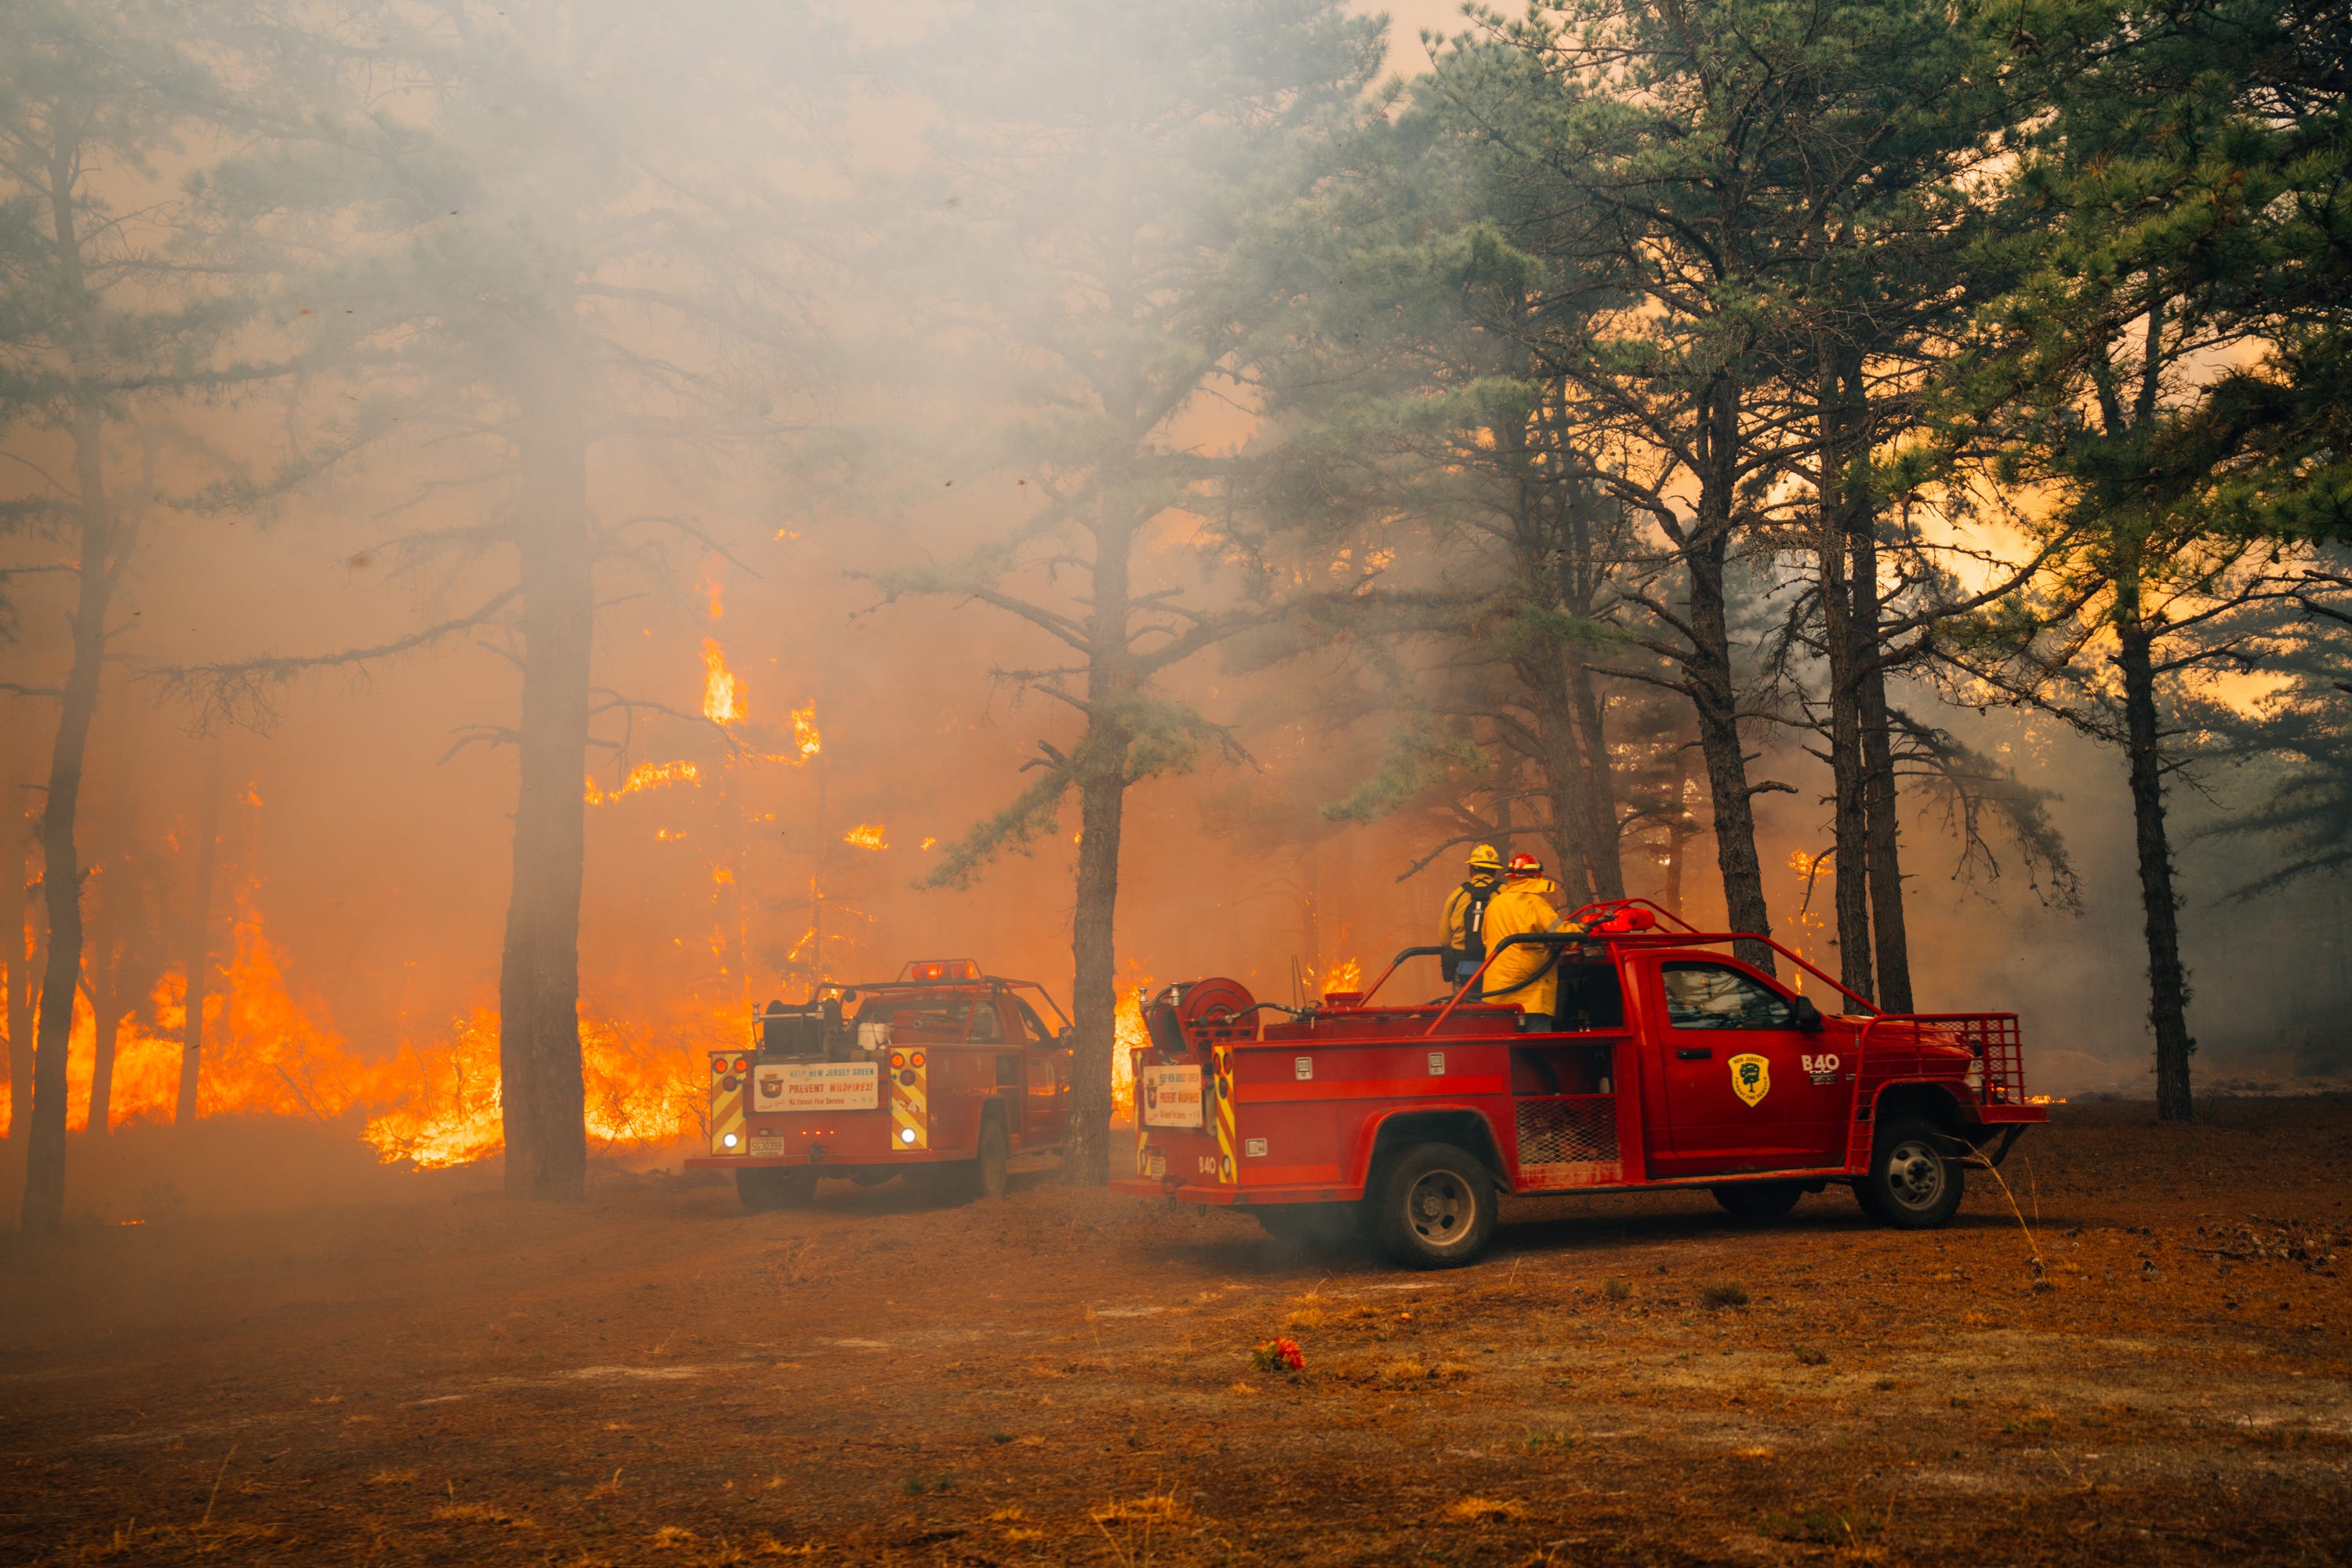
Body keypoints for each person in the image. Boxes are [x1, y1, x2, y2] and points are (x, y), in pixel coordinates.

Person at [1480, 851, 1579, 1031]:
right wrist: (1581, 932)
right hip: (1530, 995)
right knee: (1537, 1050)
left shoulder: (1494, 904)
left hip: (1497, 992)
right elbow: (1562, 933)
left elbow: (1486, 940)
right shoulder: (1535, 904)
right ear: (1535, 878)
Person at [1439, 844, 1506, 985]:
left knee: (1466, 1005)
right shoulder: (1506, 894)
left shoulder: (1456, 897)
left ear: (1471, 870)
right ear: (1495, 872)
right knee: (1498, 1007)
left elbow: (1444, 939)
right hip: (1497, 966)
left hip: (1464, 969)